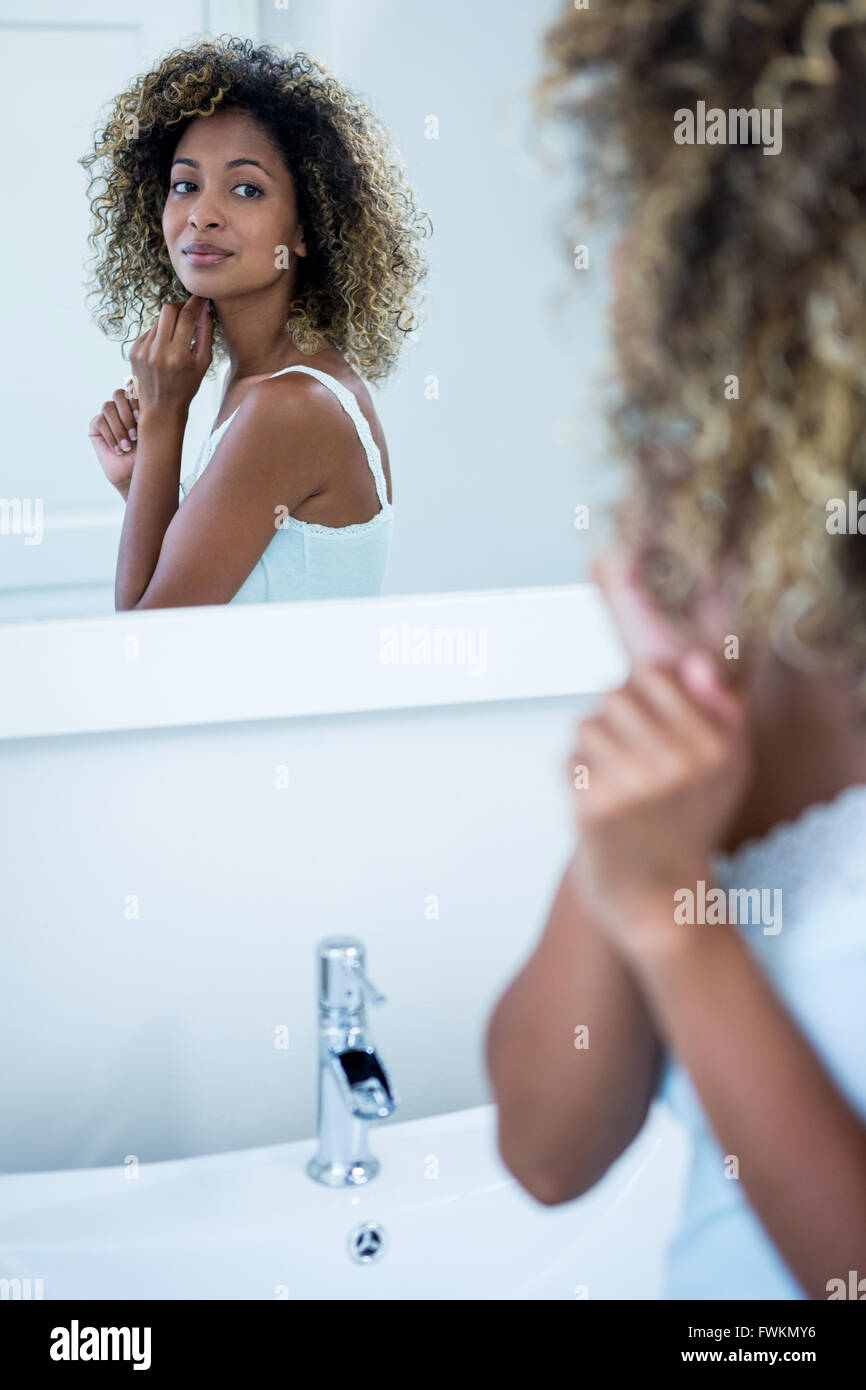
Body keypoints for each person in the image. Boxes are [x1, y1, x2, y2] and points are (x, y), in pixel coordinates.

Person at [486, 0, 866, 1300]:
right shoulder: (761, 637)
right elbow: (543, 1148)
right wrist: (647, 815)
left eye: (680, 222)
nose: (617, 270)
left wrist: (677, 919)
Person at [81, 37, 430, 608]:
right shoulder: (259, 384)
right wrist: (140, 478)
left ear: (306, 228)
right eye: (185, 184)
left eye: (246, 189)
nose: (202, 215)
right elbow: (229, 585)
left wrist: (166, 417)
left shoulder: (290, 407)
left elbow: (147, 642)